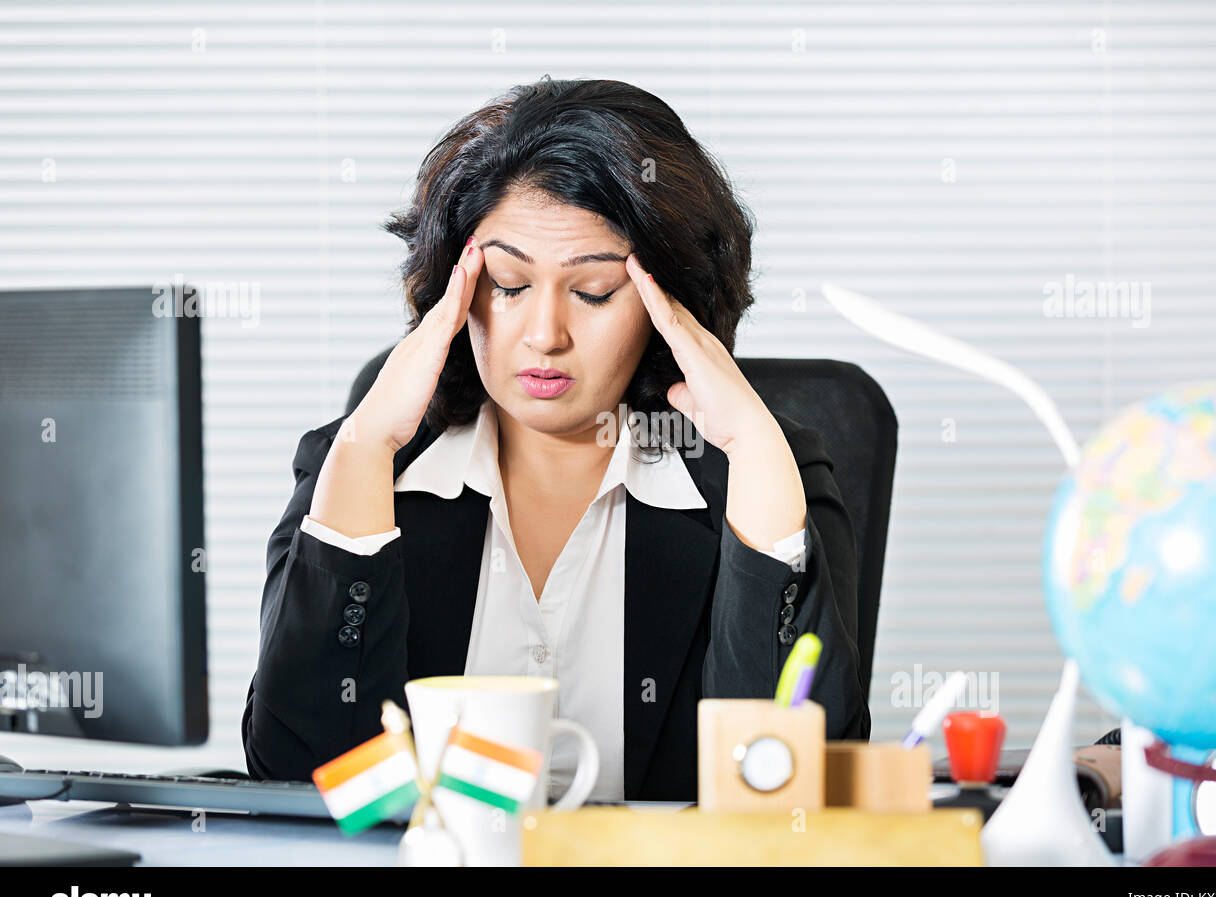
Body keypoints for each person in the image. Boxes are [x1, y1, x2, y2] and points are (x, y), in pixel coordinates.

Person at [242, 76, 868, 802]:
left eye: (594, 292)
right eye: (507, 284)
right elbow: (304, 785)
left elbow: (792, 793)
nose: (544, 335)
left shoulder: (758, 475)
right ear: (456, 289)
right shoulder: (361, 474)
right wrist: (364, 453)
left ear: (672, 305)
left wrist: (759, 458)